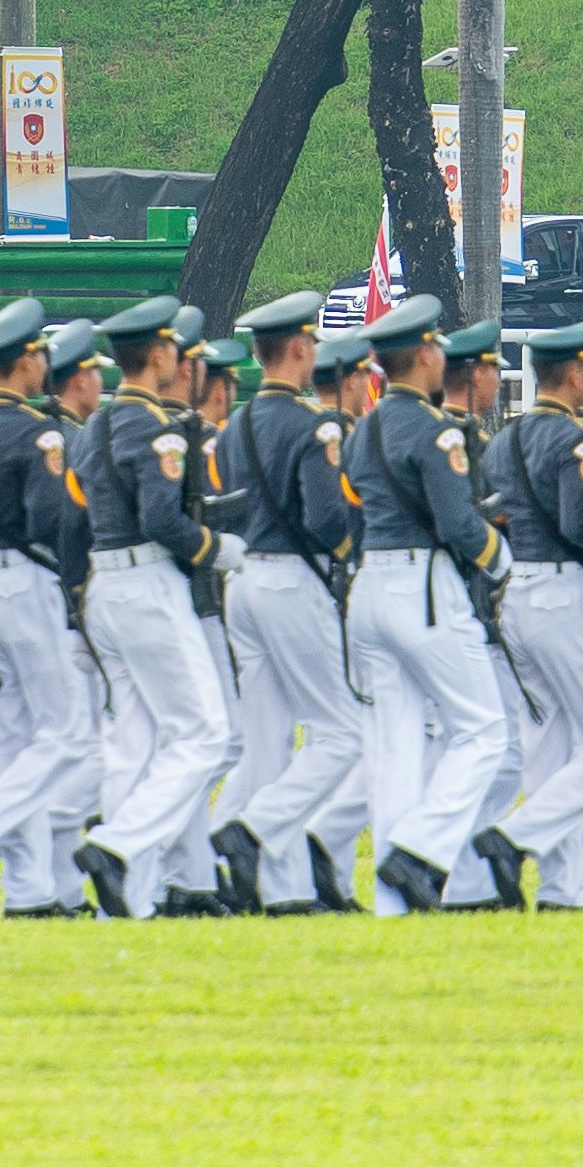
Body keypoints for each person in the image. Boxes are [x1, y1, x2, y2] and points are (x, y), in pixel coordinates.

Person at [342, 300, 521, 912]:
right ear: (425, 355)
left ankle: (395, 894)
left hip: (371, 585)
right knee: (484, 729)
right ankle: (416, 851)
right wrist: (503, 562)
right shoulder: (437, 429)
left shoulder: (363, 426)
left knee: (396, 742)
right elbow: (459, 526)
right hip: (421, 587)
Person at [205, 290, 366, 914]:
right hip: (291, 580)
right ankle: (250, 831)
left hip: (243, 578)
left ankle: (278, 884)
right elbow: (327, 519)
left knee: (266, 739)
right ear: (299, 348)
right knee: (342, 733)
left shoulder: (237, 423)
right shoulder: (313, 425)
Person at [77, 299, 238, 918]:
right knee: (204, 734)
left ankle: (133, 895)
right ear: (164, 355)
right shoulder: (156, 428)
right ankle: (119, 848)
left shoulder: (98, 425)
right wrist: (217, 549)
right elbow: (161, 518)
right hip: (147, 582)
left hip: (106, 583)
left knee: (136, 739)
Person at [0, 300, 99, 915]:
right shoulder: (39, 434)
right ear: (27, 361)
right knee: (65, 733)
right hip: (29, 582)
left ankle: (30, 892)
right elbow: (52, 517)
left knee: (11, 738)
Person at [490, 320, 583, 912]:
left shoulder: (504, 437)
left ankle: (570, 892)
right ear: (576, 373)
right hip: (565, 595)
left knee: (548, 751)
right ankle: (512, 840)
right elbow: (581, 524)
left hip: (517, 590)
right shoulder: (580, 441)